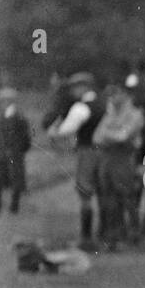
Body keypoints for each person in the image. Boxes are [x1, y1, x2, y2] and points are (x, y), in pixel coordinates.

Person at [47, 72, 106, 249]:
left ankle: (86, 238)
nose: (73, 91)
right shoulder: (105, 104)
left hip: (87, 151)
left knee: (85, 192)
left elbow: (66, 129)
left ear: (84, 87)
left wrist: (54, 131)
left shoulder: (81, 107)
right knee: (104, 193)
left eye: (75, 87)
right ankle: (107, 234)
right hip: (105, 153)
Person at [92, 81, 145, 249]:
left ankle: (134, 233)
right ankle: (113, 236)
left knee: (128, 198)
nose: (113, 98)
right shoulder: (110, 115)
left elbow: (124, 136)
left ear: (125, 95)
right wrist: (114, 133)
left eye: (116, 94)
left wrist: (110, 133)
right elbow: (96, 137)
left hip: (124, 159)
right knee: (109, 200)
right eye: (111, 95)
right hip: (108, 159)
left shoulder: (136, 114)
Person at [0, 87, 32, 215]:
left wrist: (19, 150)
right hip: (4, 153)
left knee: (13, 180)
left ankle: (10, 207)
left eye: (4, 101)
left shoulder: (17, 117)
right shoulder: (0, 115)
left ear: (9, 101)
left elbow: (25, 138)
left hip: (10, 153)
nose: (1, 103)